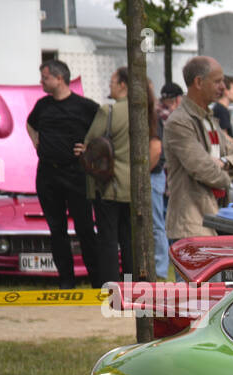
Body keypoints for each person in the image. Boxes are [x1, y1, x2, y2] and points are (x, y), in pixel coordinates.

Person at [25, 59, 100, 288]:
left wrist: (90, 148)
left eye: (45, 77)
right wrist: (36, 141)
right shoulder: (42, 106)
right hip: (48, 175)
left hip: (76, 175)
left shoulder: (86, 106)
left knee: (85, 228)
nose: (41, 82)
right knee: (57, 229)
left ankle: (97, 280)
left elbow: (103, 134)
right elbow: (29, 124)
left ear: (59, 78)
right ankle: (66, 281)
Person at [164, 56, 233, 244]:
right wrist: (228, 179)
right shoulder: (179, 122)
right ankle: (128, 277)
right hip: (190, 226)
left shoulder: (208, 119)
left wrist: (225, 163)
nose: (223, 87)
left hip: (212, 221)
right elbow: (203, 169)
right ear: (199, 82)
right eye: (217, 81)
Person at [77, 67, 134, 285]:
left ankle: (110, 285)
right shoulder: (142, 111)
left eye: (112, 81)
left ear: (122, 85)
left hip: (108, 185)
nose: (109, 86)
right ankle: (130, 284)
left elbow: (91, 143)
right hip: (132, 187)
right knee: (129, 241)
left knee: (108, 240)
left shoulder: (108, 111)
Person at [152, 82, 182, 276]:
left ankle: (163, 267)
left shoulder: (159, 114)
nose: (168, 104)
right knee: (164, 224)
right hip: (168, 175)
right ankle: (164, 268)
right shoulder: (170, 116)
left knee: (162, 224)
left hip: (164, 174)